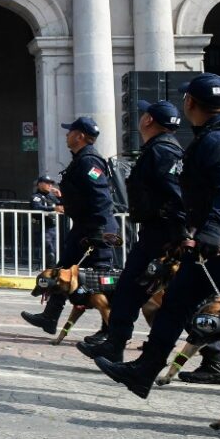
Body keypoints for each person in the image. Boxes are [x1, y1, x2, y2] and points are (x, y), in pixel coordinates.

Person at [94, 75, 220, 428]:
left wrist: (215, 230)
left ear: (189, 103)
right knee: (175, 305)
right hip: (217, 245)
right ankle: (144, 370)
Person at [77, 101, 185, 364]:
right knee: (148, 293)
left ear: (148, 120)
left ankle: (117, 345)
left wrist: (179, 235)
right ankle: (115, 344)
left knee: (133, 290)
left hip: (162, 235)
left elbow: (177, 195)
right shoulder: (162, 149)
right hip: (161, 233)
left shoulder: (162, 152)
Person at [22, 115, 117, 332]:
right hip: (84, 227)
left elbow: (101, 197)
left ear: (79, 136)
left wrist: (99, 230)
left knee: (102, 279)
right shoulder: (81, 159)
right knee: (63, 270)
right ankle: (50, 317)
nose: (66, 135)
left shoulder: (89, 160)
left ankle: (110, 331)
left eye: (69, 131)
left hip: (97, 228)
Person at [31, 174, 61, 266]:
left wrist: (60, 196)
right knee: (49, 252)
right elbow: (37, 207)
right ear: (40, 184)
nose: (50, 185)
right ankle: (48, 272)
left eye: (51, 183)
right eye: (47, 183)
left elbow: (62, 206)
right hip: (42, 228)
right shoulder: (36, 196)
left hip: (53, 227)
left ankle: (51, 272)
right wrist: (53, 209)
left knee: (54, 252)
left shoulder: (52, 196)